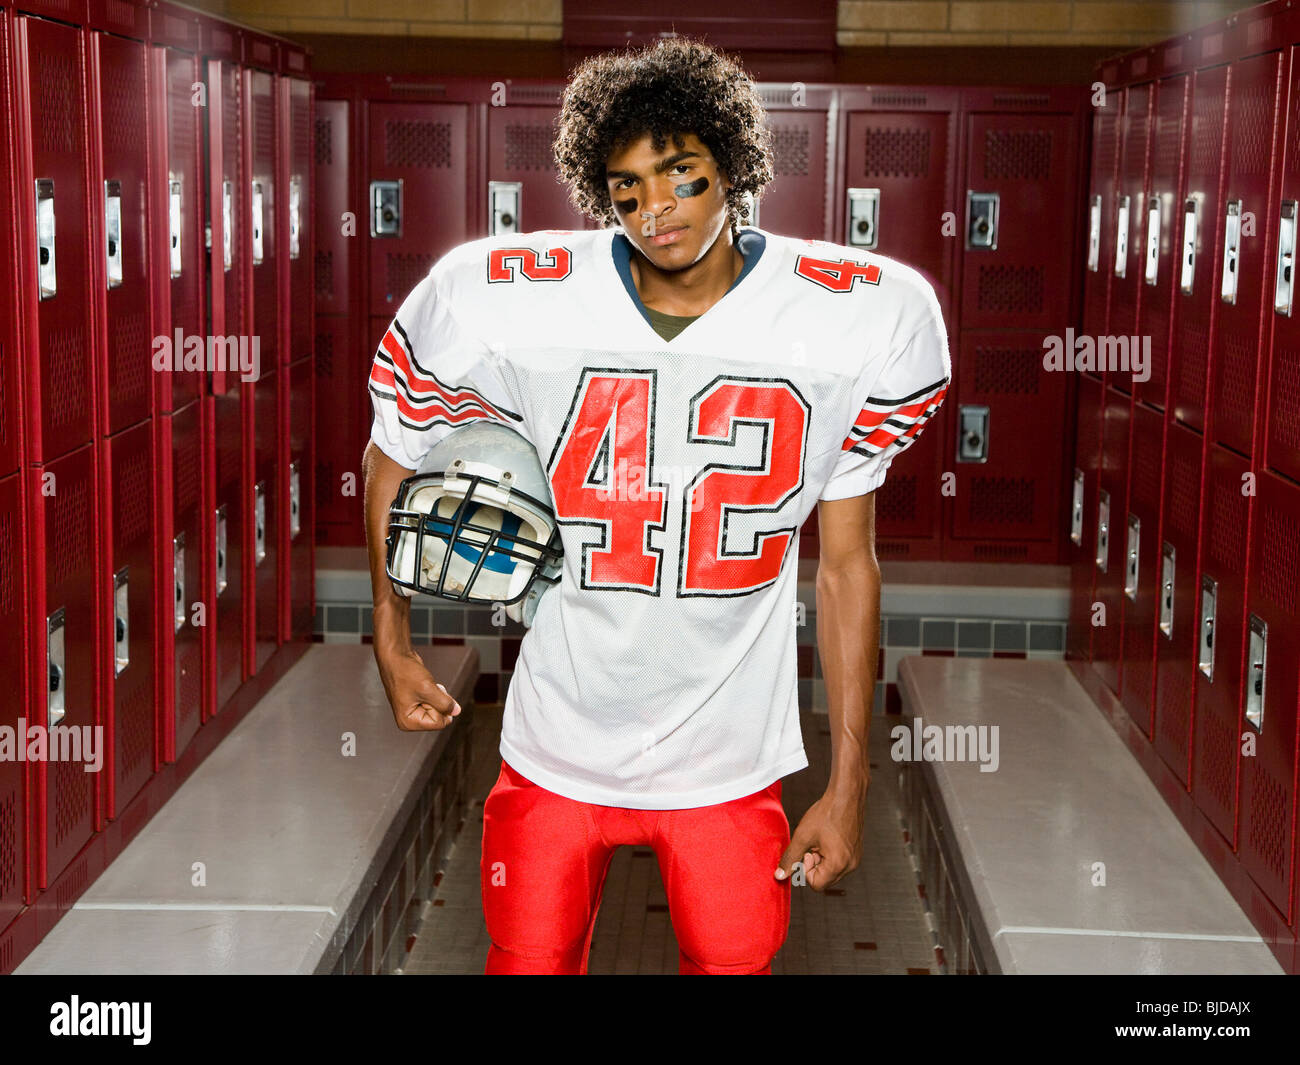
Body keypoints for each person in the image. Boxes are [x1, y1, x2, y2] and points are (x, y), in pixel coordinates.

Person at [361, 37, 950, 975]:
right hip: (556, 739)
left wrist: (850, 780)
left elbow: (844, 566)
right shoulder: (514, 299)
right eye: (626, 187)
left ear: (735, 168)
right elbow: (394, 447)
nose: (653, 209)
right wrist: (389, 639)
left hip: (727, 758)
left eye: (680, 175)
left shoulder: (857, 319)